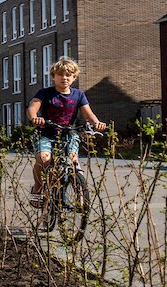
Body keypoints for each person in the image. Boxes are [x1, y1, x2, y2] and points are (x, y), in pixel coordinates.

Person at [25, 56, 107, 208]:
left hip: (68, 133)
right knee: (44, 159)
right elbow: (32, 107)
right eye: (61, 74)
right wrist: (35, 118)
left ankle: (80, 195)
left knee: (73, 161)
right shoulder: (45, 93)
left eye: (68, 75)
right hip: (46, 133)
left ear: (74, 77)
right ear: (53, 77)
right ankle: (38, 187)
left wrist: (96, 123)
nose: (64, 78)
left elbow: (88, 113)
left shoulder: (79, 95)